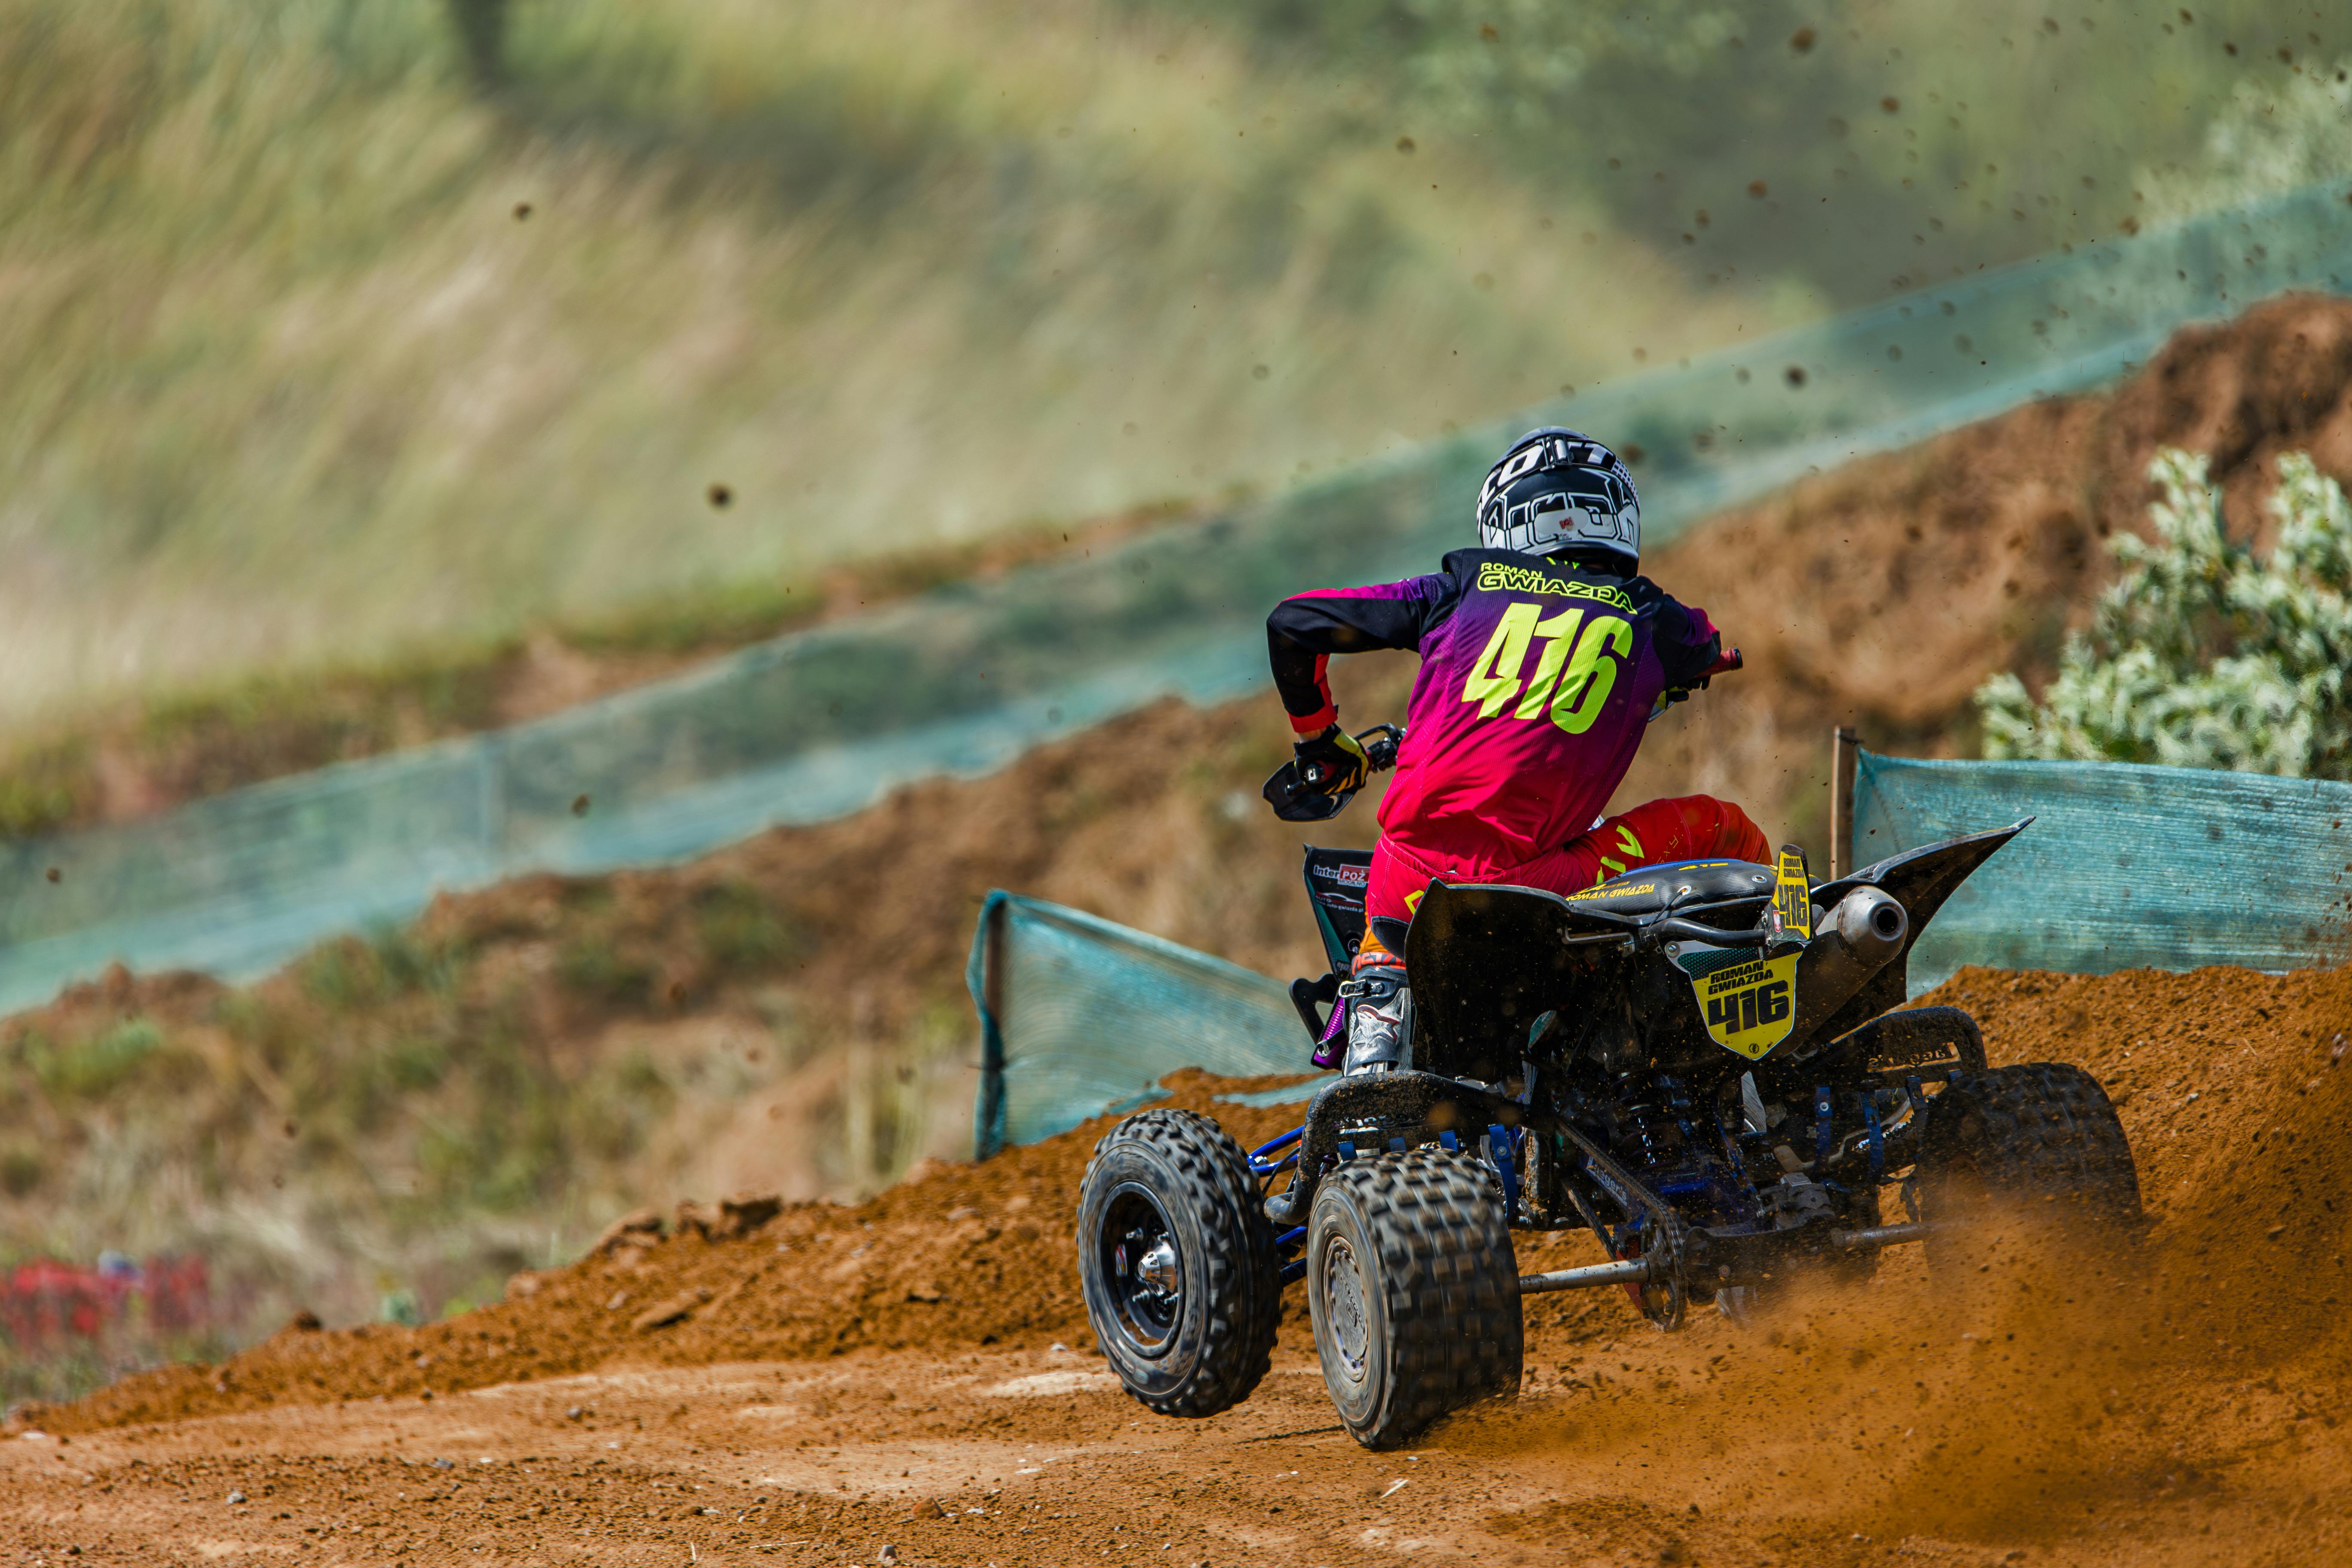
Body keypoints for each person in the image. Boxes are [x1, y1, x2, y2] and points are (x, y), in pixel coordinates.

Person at [1267, 427, 1770, 1074]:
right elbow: (1707, 651)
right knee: (1720, 824)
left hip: (1409, 881)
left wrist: (1320, 741)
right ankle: (1773, 971)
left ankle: (1378, 994)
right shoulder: (1654, 619)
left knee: (1398, 875)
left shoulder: (1455, 586)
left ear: (1503, 520)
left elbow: (1293, 623)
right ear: (1618, 516)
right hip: (1536, 891)